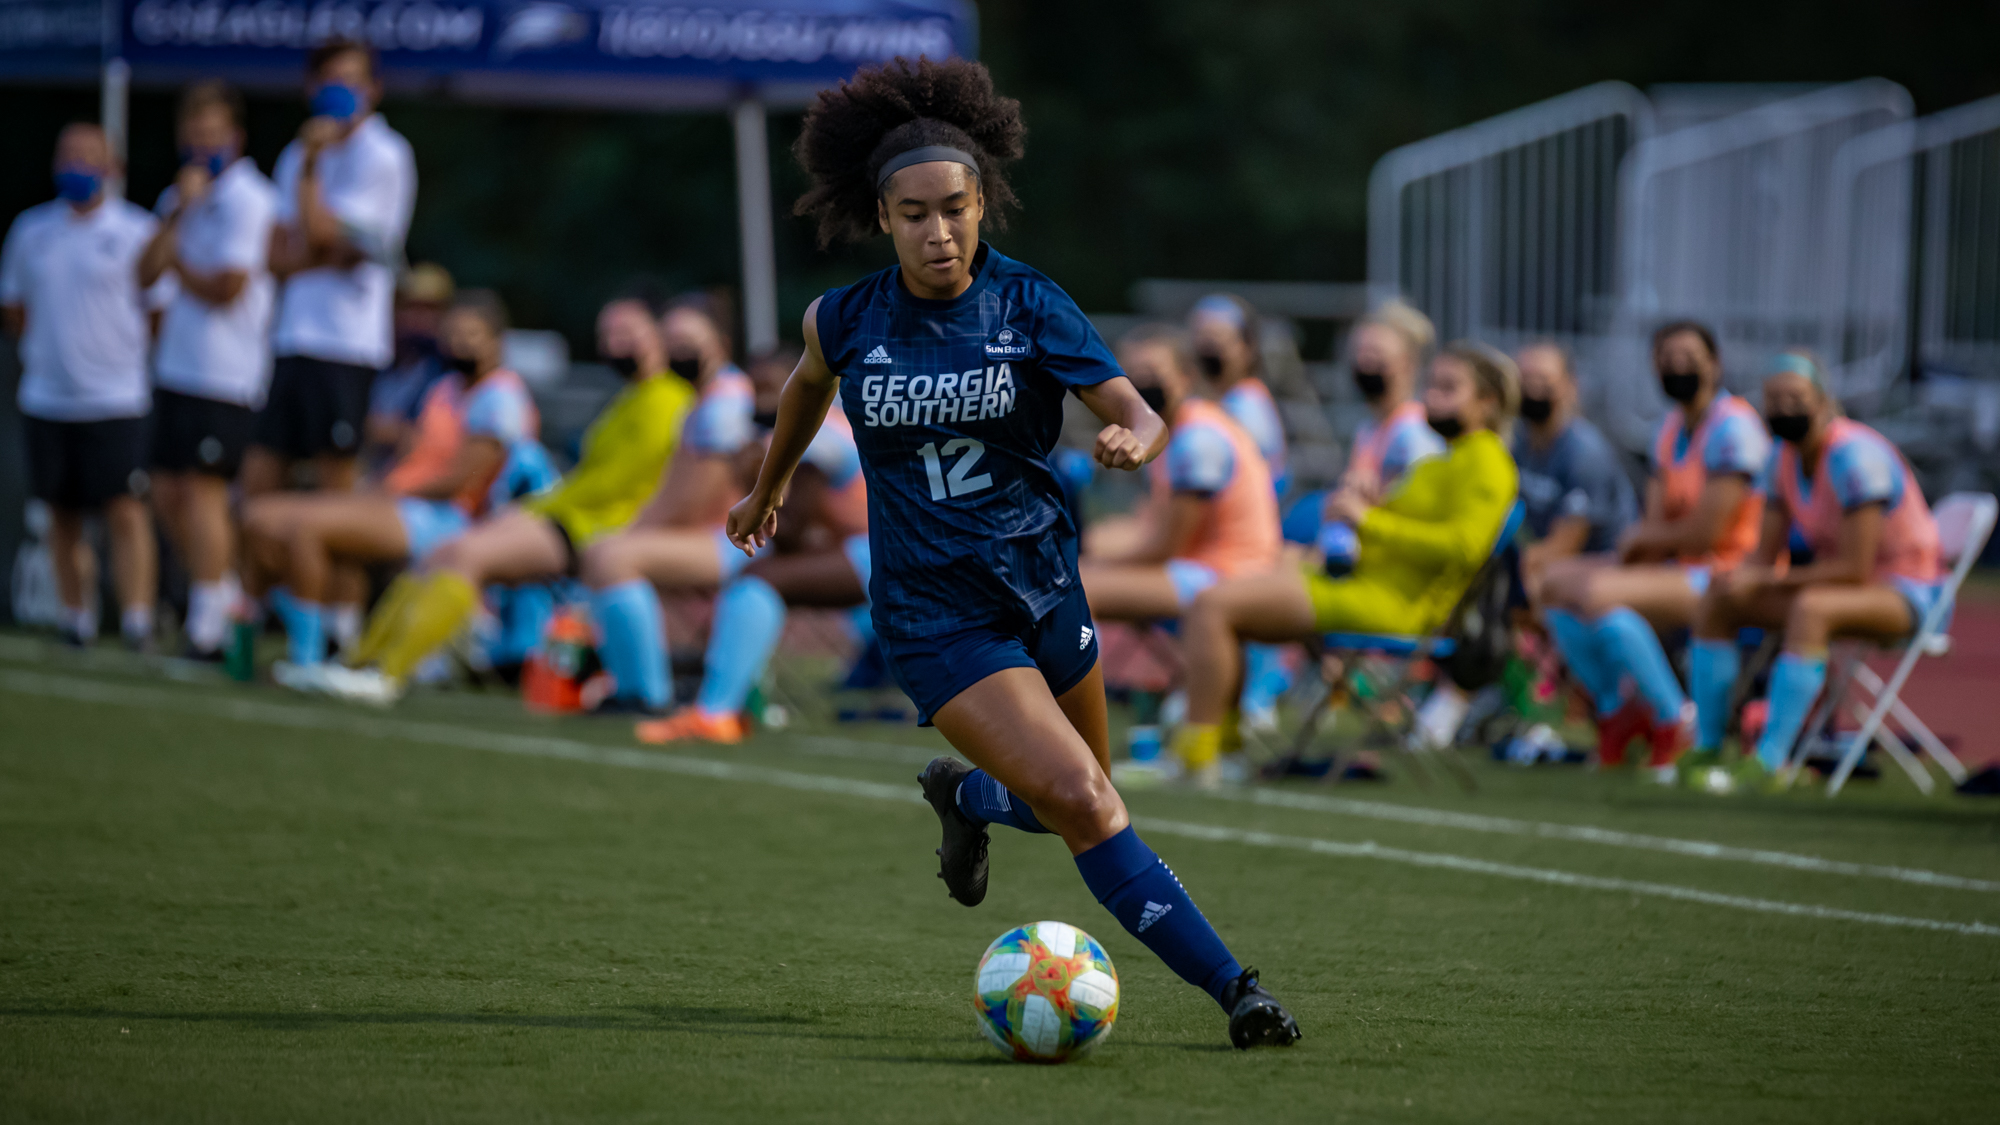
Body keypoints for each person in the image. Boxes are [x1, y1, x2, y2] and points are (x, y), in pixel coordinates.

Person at [730, 56, 1299, 1048]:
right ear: (882, 214)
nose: (936, 231)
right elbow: (805, 386)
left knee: (1086, 796)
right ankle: (1238, 993)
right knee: (1082, 798)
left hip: (1042, 584)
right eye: (912, 214)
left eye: (953, 207)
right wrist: (768, 485)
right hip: (933, 612)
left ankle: (967, 798)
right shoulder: (847, 318)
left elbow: (1137, 409)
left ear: (981, 200)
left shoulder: (1029, 304)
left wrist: (1135, 438)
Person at [319, 296, 695, 702]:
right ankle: (359, 662)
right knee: (443, 554)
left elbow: (613, 486)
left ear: (655, 335)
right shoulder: (631, 397)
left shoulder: (666, 399)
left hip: (591, 527)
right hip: (572, 518)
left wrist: (535, 508)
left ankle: (387, 675)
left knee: (465, 557)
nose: (612, 345)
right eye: (606, 335)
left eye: (625, 333)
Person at [1177, 342, 1521, 773]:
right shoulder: (1442, 461)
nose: (1432, 397)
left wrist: (1367, 521)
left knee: (1213, 606)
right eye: (1431, 385)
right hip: (1362, 586)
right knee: (1224, 597)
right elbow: (1394, 534)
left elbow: (1464, 548)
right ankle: (1220, 749)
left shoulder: (1489, 462)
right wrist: (1359, 510)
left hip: (1395, 607)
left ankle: (1197, 755)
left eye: (1449, 388)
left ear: (1488, 402)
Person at [238, 291, 545, 685]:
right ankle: (319, 634)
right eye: (453, 335)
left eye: (472, 335)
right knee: (259, 517)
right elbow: (413, 454)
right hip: (409, 503)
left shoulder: (500, 398)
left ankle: (308, 655)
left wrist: (389, 495)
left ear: (497, 342)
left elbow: (462, 482)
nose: (460, 344)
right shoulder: (447, 387)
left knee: (302, 527)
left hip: (446, 516)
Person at [1685, 351, 1945, 792]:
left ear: (1822, 401)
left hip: (1908, 592)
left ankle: (1770, 762)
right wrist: (1737, 576)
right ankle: (1708, 746)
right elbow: (1763, 557)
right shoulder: (1781, 460)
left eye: (1796, 397)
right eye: (1774, 399)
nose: (1784, 408)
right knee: (1719, 600)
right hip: (1840, 587)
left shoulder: (1854, 457)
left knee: (1812, 609)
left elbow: (1855, 569)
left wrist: (1767, 579)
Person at [1538, 322, 1769, 779]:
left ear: (1714, 363)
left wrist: (1640, 543)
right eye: (1665, 357)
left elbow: (1705, 533)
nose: (1675, 366)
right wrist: (1639, 547)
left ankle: (1673, 718)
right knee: (1555, 586)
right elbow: (1659, 520)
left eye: (1687, 356)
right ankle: (1616, 710)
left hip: (1728, 574)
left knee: (1599, 595)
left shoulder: (1734, 428)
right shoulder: (1668, 429)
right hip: (1677, 567)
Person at [1079, 324, 1279, 775]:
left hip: (1227, 573)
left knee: (1075, 588)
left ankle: (1075, 734)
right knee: (1077, 572)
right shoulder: (1177, 432)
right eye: (1131, 374)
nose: (1139, 383)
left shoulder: (1197, 440)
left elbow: (1165, 546)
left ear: (1186, 376)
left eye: (1153, 371)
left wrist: (1097, 561)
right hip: (1212, 565)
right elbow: (1154, 531)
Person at [1, 123, 166, 649]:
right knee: (60, 512)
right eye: (68, 154)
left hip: (116, 396)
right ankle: (76, 616)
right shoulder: (31, 230)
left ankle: (138, 619)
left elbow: (158, 312)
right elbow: (15, 308)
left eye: (88, 156)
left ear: (112, 167)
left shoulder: (138, 231)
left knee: (124, 509)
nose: (77, 165)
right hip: (48, 395)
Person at [138, 81, 279, 660]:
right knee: (167, 492)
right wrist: (176, 218)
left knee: (205, 493)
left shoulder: (250, 199)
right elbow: (144, 273)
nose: (201, 147)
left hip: (227, 373)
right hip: (174, 367)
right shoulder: (180, 200)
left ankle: (208, 623)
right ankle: (216, 594)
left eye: (213, 136)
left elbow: (227, 286)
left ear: (235, 138)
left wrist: (181, 260)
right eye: (193, 136)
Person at [577, 297, 760, 715]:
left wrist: (633, 533)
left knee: (612, 558)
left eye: (689, 342)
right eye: (671, 342)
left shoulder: (723, 408)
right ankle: (634, 687)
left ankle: (646, 693)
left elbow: (693, 504)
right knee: (607, 552)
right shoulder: (705, 399)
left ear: (721, 345)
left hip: (733, 543)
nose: (679, 352)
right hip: (717, 536)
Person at [254, 39, 416, 494]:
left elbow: (329, 241)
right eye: (330, 81)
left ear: (374, 89)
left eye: (351, 81)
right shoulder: (295, 154)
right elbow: (276, 257)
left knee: (334, 492)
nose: (339, 91)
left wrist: (310, 172)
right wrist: (319, 250)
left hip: (347, 346)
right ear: (311, 87)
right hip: (292, 338)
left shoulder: (385, 154)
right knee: (260, 483)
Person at [1312, 299, 1446, 572]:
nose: (1364, 363)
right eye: (1359, 353)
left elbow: (1417, 515)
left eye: (1375, 354)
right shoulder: (1370, 429)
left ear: (1408, 364)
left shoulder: (1415, 433)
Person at [1510, 341, 1637, 597]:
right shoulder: (1516, 443)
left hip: (1598, 572)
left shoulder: (1584, 453)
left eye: (1544, 379)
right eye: (1525, 379)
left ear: (1570, 385)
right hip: (1541, 560)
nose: (1533, 388)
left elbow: (1565, 547)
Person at [1188, 293, 1287, 494]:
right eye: (1203, 340)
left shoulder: (1247, 405)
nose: (1209, 351)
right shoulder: (1214, 401)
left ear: (1247, 348)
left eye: (1218, 341)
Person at [363, 262, 455, 474]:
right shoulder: (375, 362)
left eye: (431, 309)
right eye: (411, 307)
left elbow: (429, 437)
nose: (420, 318)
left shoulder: (450, 371)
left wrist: (378, 429)